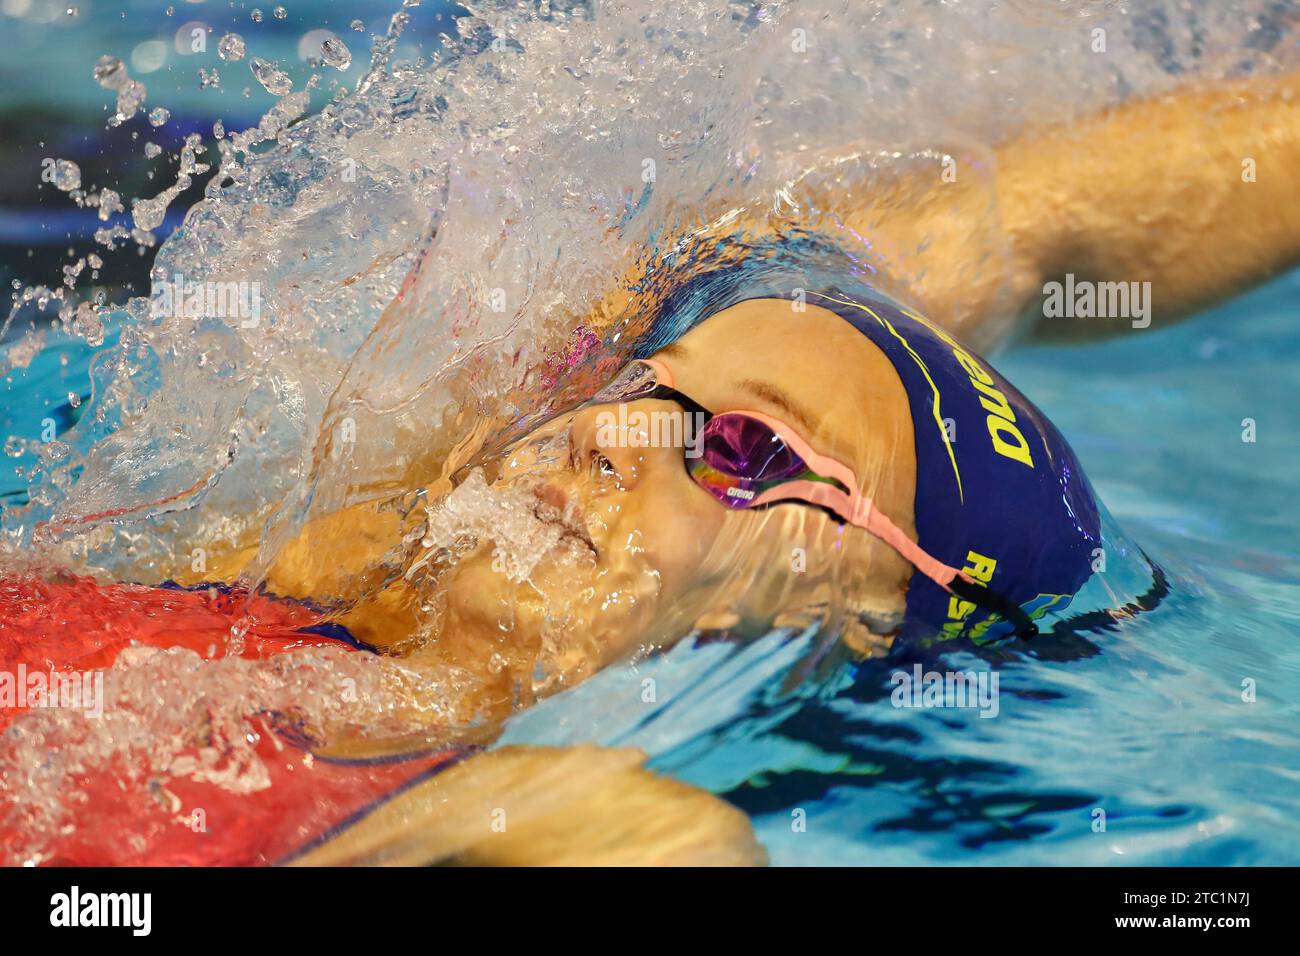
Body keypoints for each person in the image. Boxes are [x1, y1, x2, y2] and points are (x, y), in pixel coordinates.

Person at [4, 67, 1299, 865]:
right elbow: (1001, 224)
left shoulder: (593, 832)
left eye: (740, 450)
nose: (610, 435)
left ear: (843, 615)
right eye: (640, 383)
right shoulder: (228, 562)